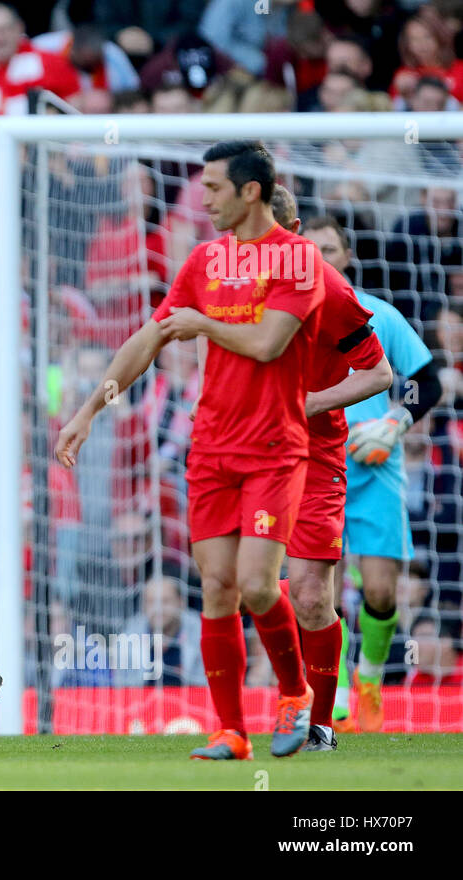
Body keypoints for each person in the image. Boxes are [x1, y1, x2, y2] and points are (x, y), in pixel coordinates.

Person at [56, 140, 320, 761]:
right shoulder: (202, 260)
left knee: (259, 586)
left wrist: (202, 325)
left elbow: (268, 344)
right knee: (218, 586)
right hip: (211, 450)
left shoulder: (297, 258)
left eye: (213, 189)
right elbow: (149, 338)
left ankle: (294, 692)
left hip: (274, 449)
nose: (202, 200)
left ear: (250, 191)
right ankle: (230, 730)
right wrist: (91, 408)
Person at [258, 188, 393, 752]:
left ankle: (319, 723)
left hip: (316, 454)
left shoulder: (331, 291)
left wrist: (309, 402)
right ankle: (281, 704)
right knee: (248, 587)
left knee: (312, 596)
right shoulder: (230, 279)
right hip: (250, 451)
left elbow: (380, 374)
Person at [302, 215, 444, 733]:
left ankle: (369, 681)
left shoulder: (377, 315)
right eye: (311, 249)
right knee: (321, 589)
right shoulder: (290, 317)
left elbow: (426, 382)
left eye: (330, 249)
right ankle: (335, 696)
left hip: (374, 470)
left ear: (347, 256)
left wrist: (393, 422)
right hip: (316, 466)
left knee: (382, 591)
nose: (321, 258)